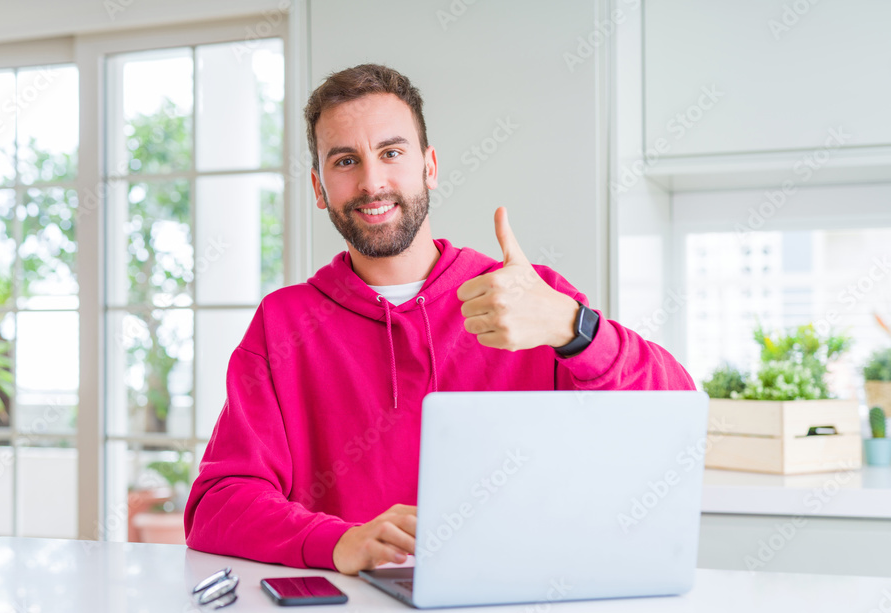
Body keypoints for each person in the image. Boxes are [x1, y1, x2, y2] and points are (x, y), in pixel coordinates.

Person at [184, 64, 695, 575]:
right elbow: (217, 505)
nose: (372, 181)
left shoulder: (529, 299)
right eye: (345, 161)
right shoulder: (284, 322)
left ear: (429, 165)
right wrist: (336, 541)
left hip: (514, 606)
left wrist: (575, 328)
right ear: (320, 189)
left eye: (392, 152)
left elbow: (674, 413)